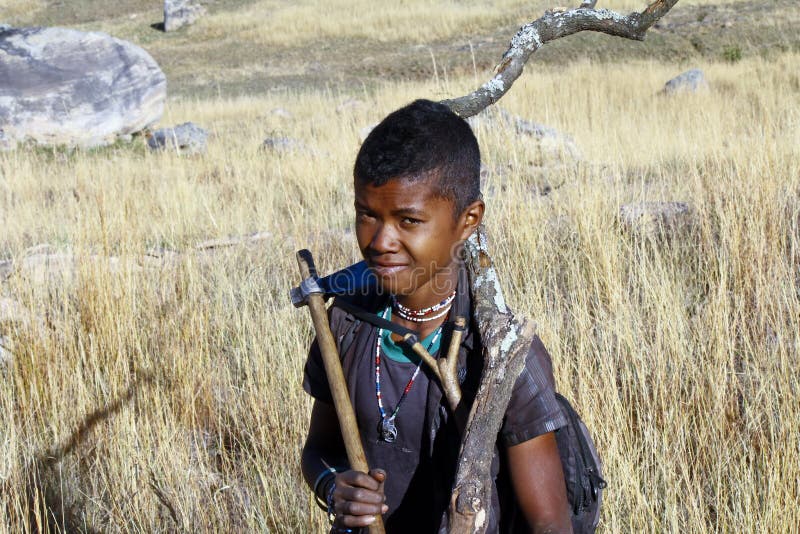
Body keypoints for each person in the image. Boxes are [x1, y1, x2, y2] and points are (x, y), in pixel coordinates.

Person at [301, 99, 572, 533]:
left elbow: (550, 524)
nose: (381, 240)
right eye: (367, 215)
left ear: (468, 220)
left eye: (409, 221)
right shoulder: (346, 325)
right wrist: (335, 488)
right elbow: (317, 450)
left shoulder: (500, 356)